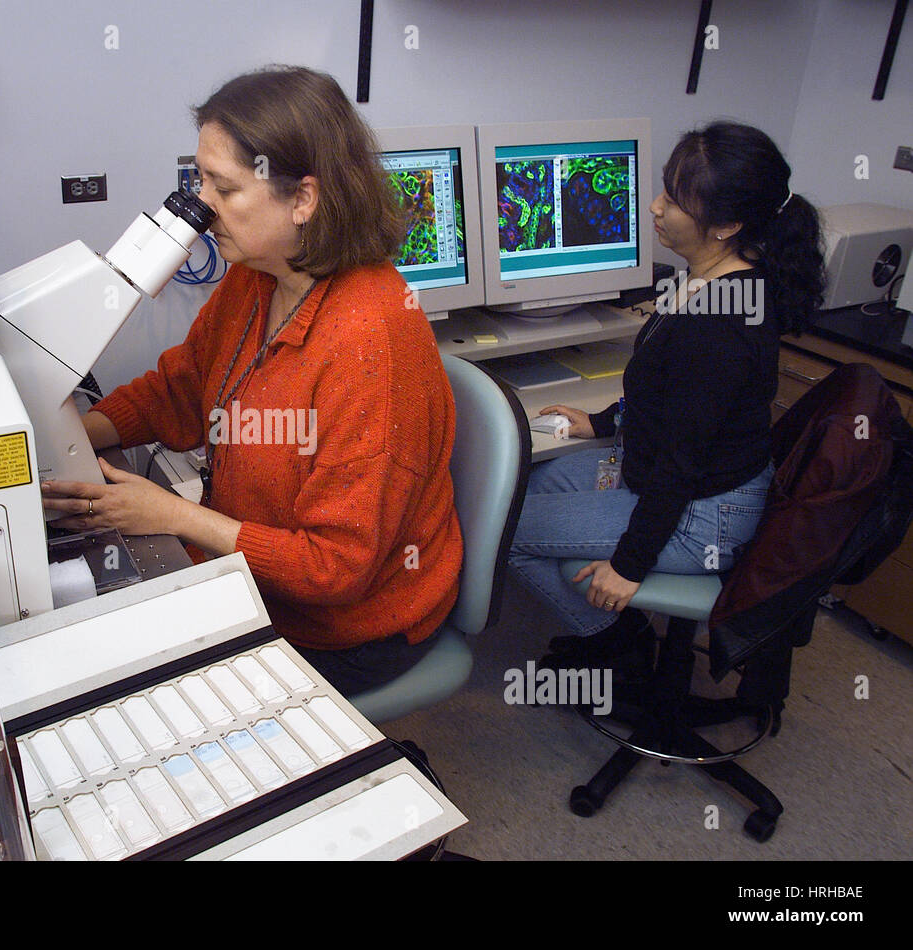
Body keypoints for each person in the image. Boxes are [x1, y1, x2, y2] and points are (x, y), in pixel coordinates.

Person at [41, 66, 463, 695]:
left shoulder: (372, 344)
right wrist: (63, 437)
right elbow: (181, 388)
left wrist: (174, 515)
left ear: (303, 199)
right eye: (200, 179)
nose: (201, 206)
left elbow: (337, 568)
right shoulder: (258, 275)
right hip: (253, 578)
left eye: (225, 188)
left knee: (144, 697)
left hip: (348, 625)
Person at [507, 121, 826, 672]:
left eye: (674, 200)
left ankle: (615, 641)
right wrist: (602, 423)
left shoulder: (718, 325)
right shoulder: (717, 276)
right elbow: (666, 397)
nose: (654, 207)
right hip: (666, 471)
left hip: (702, 512)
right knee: (527, 485)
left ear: (725, 224)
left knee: (501, 532)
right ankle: (615, 625)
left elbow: (684, 462)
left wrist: (628, 566)